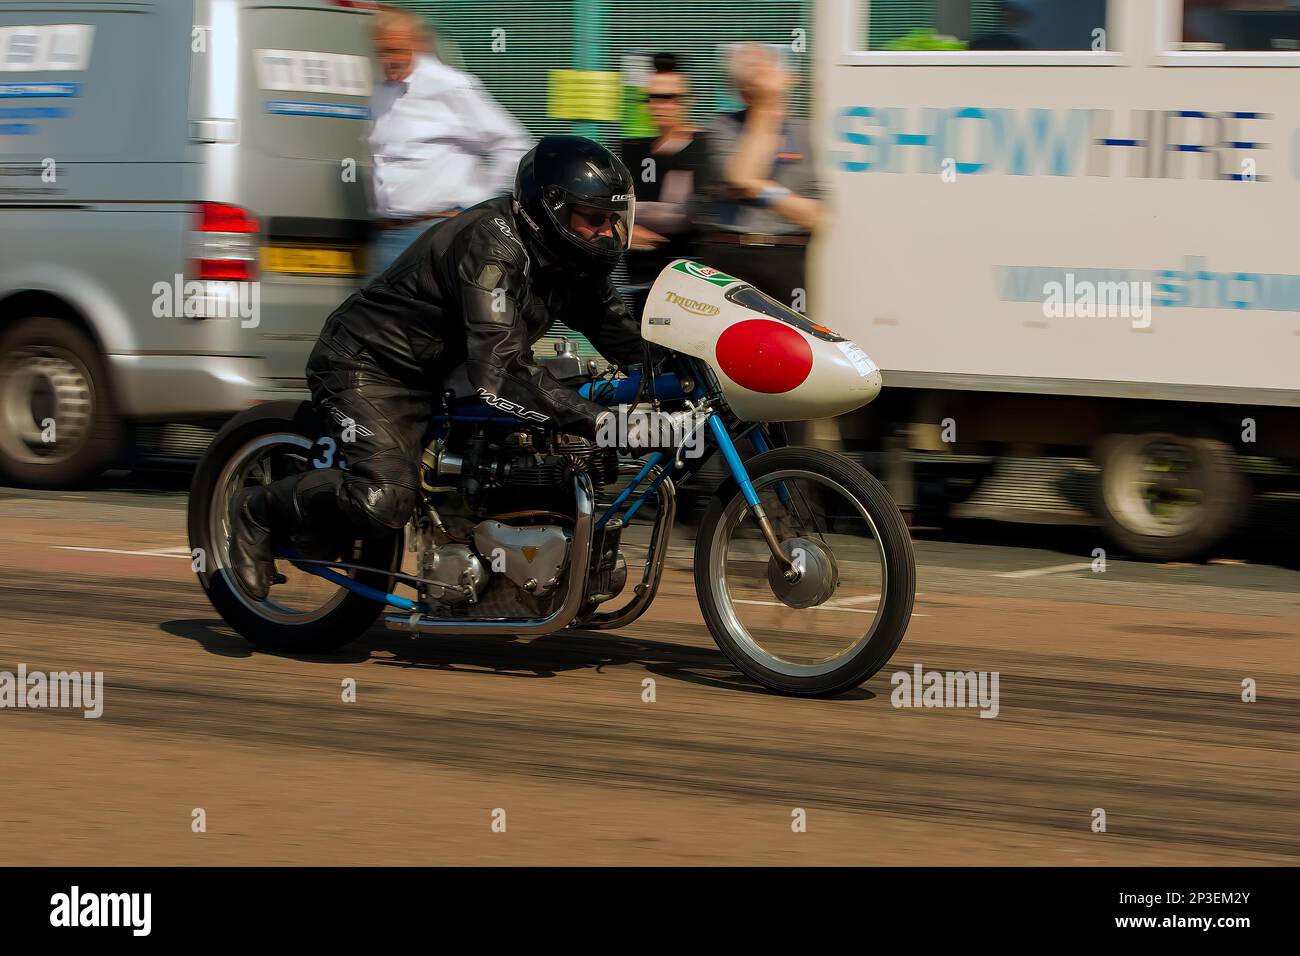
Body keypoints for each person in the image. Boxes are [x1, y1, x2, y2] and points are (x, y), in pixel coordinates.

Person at [227, 137, 658, 600]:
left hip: (448, 377)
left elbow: (622, 336)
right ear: (550, 209)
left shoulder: (572, 261)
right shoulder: (492, 246)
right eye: (594, 219)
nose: (607, 233)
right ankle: (255, 512)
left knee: (539, 438)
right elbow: (501, 369)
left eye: (614, 220)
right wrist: (603, 422)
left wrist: (691, 365)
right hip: (372, 367)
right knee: (383, 501)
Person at [367, 9, 531, 278]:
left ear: (418, 45)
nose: (389, 59)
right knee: (374, 319)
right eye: (381, 51)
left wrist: (475, 206)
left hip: (436, 234)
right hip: (387, 235)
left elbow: (512, 143)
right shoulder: (382, 91)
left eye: (397, 50)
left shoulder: (448, 86)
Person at [694, 43, 824, 315]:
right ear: (742, 90)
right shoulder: (722, 126)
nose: (766, 72)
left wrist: (762, 189)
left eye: (768, 65)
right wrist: (766, 107)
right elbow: (740, 176)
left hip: (786, 258)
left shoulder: (803, 130)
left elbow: (815, 215)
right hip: (731, 256)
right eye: (756, 71)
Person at [617, 53, 710, 317]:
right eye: (653, 97)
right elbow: (610, 208)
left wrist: (631, 220)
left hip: (690, 284)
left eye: (669, 98)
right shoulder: (633, 150)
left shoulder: (702, 147)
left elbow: (680, 215)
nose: (660, 105)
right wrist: (625, 231)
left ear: (687, 101)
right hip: (641, 281)